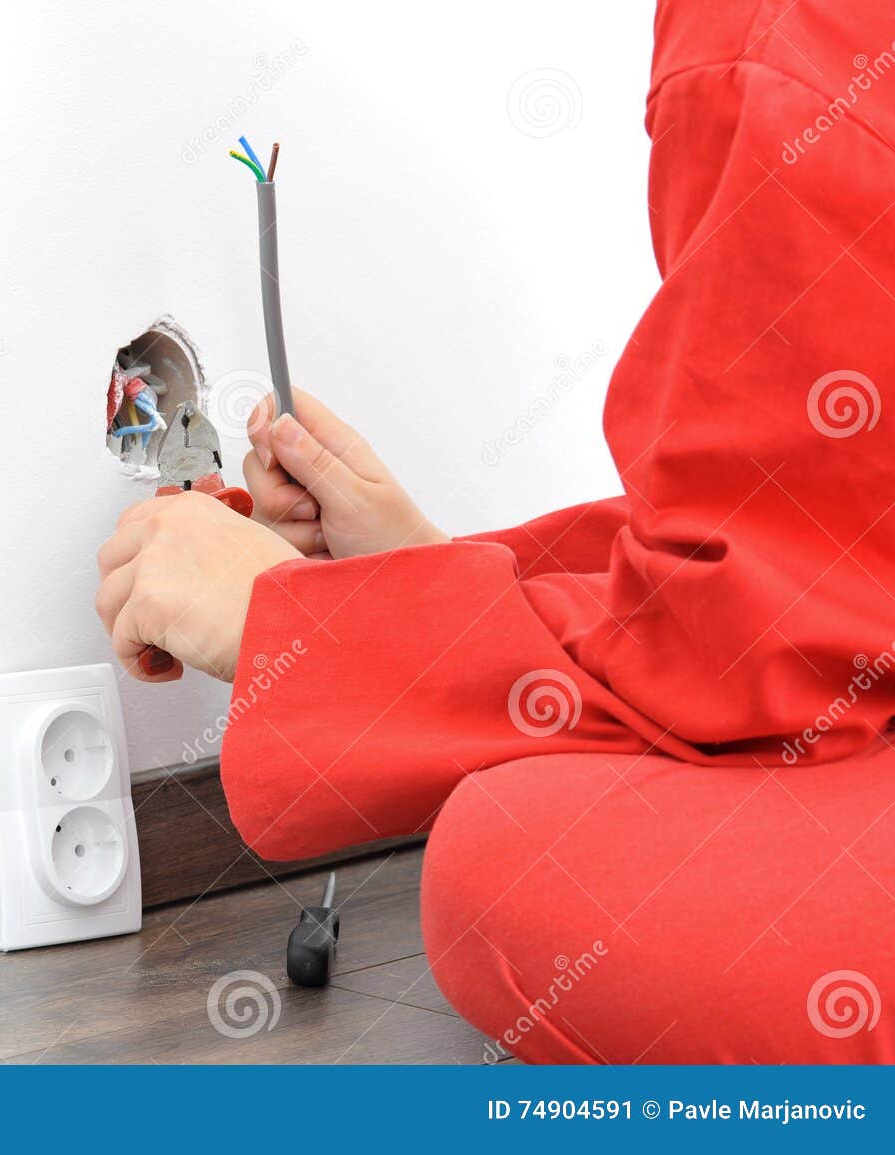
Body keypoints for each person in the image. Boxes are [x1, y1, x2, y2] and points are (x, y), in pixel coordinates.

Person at [96, 0, 895, 1063]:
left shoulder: (777, 42)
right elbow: (829, 548)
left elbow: (757, 644)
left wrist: (305, 633)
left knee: (529, 869)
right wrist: (421, 583)